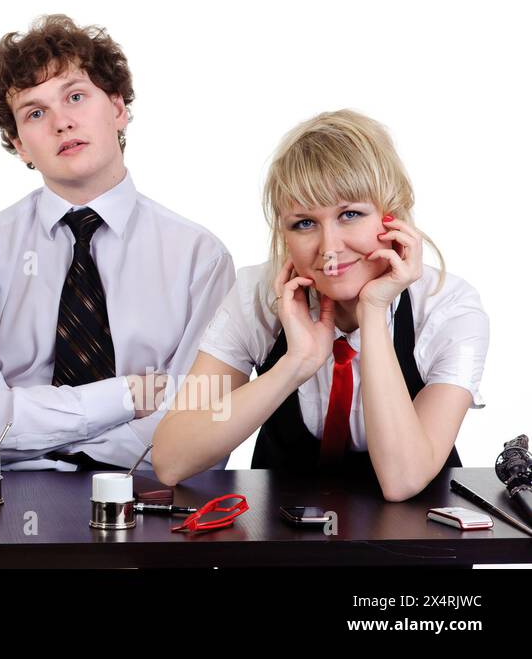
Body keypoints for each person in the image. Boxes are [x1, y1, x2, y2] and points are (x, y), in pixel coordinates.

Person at [0, 14, 235, 471]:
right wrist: (128, 395)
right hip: (8, 508)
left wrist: (36, 430)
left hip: (152, 505)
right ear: (19, 144)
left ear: (117, 109)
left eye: (76, 96)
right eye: (35, 112)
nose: (61, 123)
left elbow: (199, 426)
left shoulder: (200, 257)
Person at [152, 110, 489, 501]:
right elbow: (170, 459)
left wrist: (374, 311)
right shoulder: (255, 296)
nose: (330, 247)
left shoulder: (449, 309)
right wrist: (295, 365)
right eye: (305, 223)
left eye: (350, 215)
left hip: (419, 545)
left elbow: (403, 479)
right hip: (284, 543)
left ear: (392, 216)